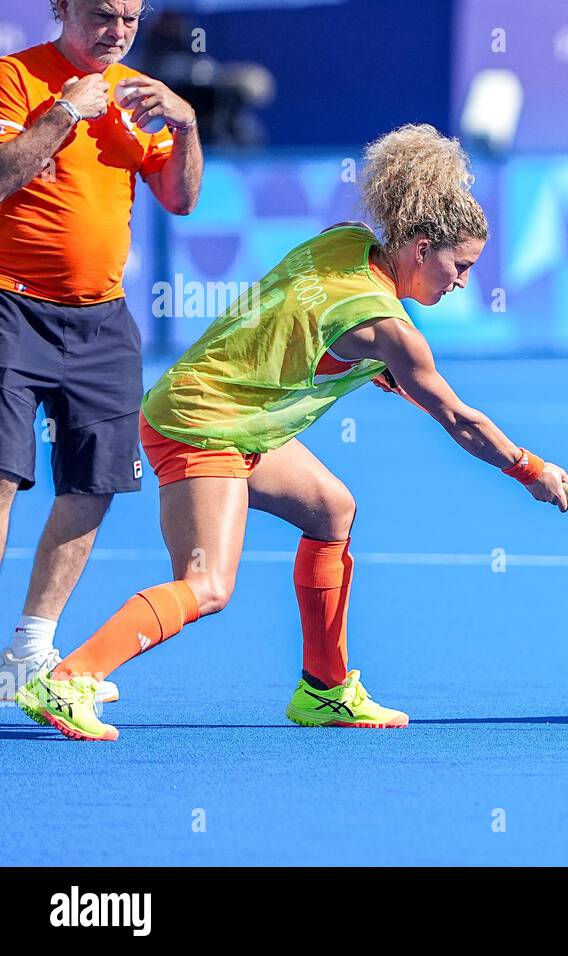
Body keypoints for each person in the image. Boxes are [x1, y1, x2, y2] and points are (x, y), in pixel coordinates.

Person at [16, 123, 568, 741]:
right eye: (458, 265)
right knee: (206, 585)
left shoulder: (346, 243)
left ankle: (326, 690)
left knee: (332, 509)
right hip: (203, 424)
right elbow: (460, 420)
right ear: (419, 248)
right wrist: (528, 468)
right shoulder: (391, 330)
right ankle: (68, 680)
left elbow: (303, 322)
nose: (463, 281)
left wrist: (373, 369)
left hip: (232, 415)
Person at [0, 0, 201, 704]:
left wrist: (186, 125)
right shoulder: (17, 80)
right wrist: (64, 114)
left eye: (129, 18)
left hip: (102, 321)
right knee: (0, 474)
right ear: (60, 9)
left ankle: (29, 648)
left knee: (95, 482)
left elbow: (178, 200)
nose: (116, 31)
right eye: (101, 15)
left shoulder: (137, 97)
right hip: (8, 304)